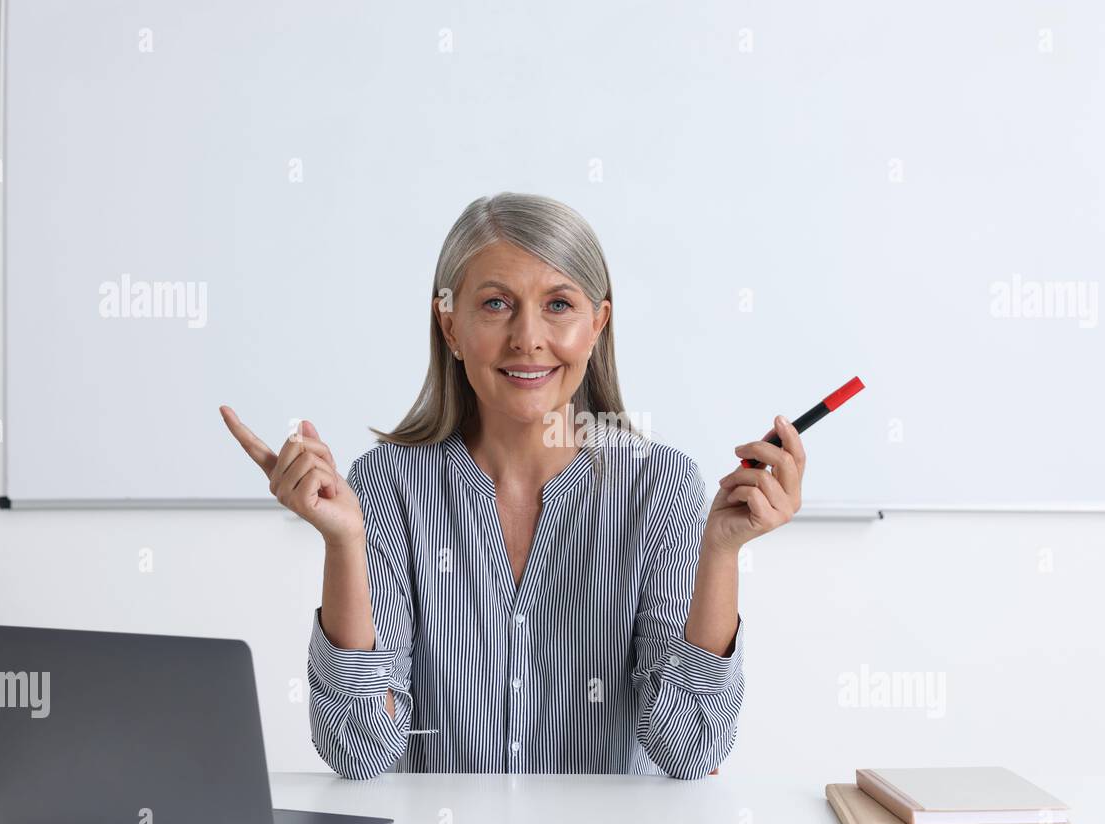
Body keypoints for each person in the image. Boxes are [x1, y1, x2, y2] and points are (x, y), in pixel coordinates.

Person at [221, 192, 805, 779]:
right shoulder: (387, 482)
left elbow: (690, 752)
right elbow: (362, 753)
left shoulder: (662, 485)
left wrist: (722, 551)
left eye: (558, 305)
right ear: (450, 326)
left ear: (597, 325)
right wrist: (344, 543)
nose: (527, 338)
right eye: (496, 304)